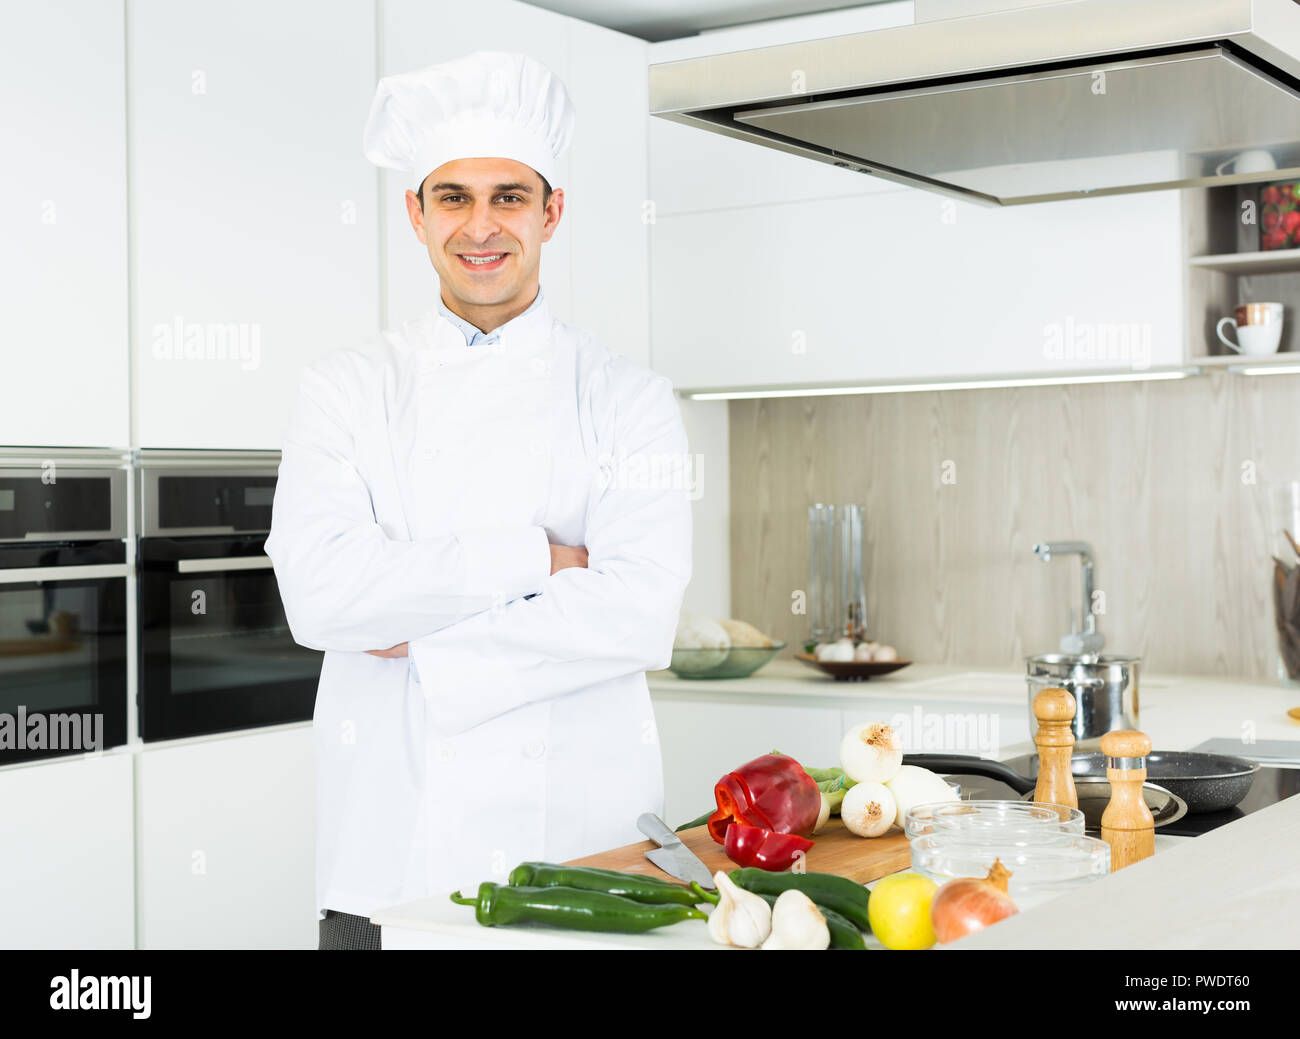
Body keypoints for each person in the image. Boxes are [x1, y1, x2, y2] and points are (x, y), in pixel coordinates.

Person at [264, 51, 693, 951]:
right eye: (452, 197)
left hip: (581, 857)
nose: (481, 225)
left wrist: (417, 640)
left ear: (552, 211)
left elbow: (639, 611)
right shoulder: (345, 389)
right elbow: (324, 598)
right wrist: (539, 558)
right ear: (415, 214)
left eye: (509, 196)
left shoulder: (628, 397)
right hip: (385, 852)